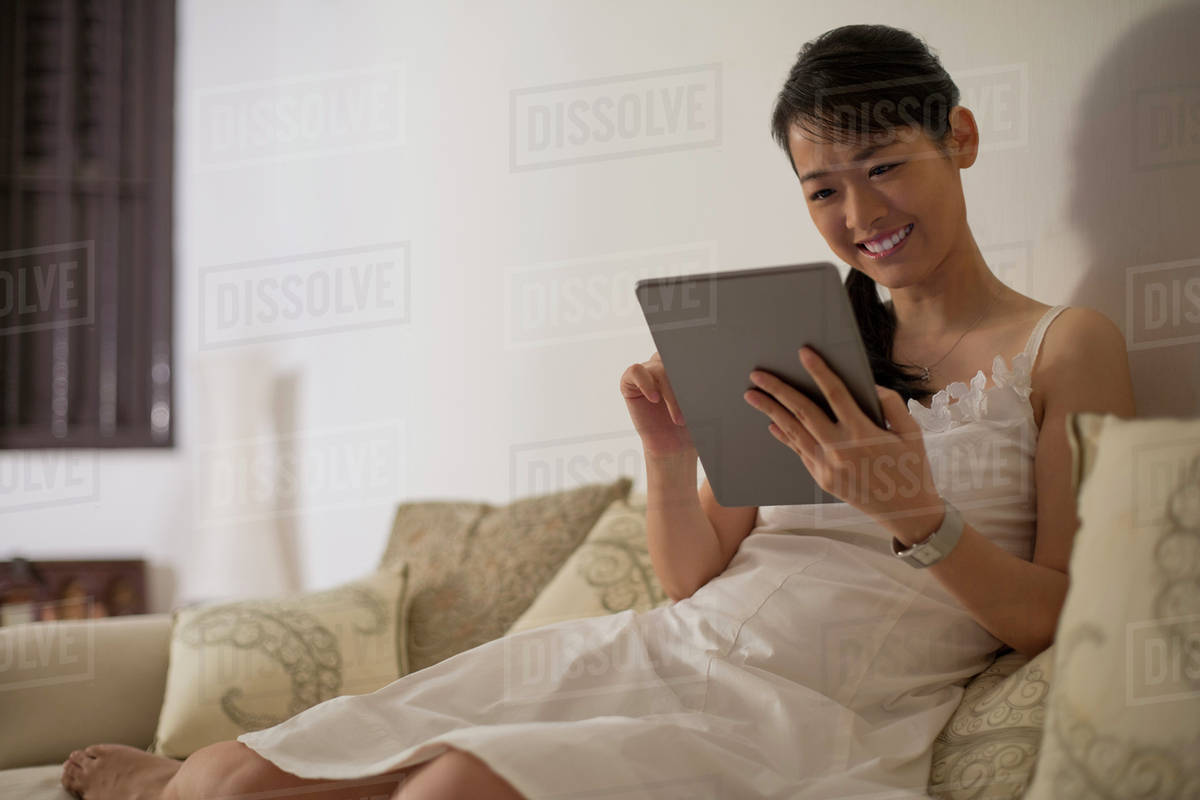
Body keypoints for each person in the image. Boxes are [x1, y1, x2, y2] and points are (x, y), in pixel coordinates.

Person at [60, 22, 1136, 800]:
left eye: (885, 167)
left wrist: (919, 518)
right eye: (823, 188)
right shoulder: (811, 339)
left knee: (454, 787)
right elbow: (694, 574)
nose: (860, 213)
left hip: (816, 711)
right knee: (232, 777)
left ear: (961, 137)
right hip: (666, 648)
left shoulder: (1067, 346)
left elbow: (1060, 616)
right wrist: (670, 457)